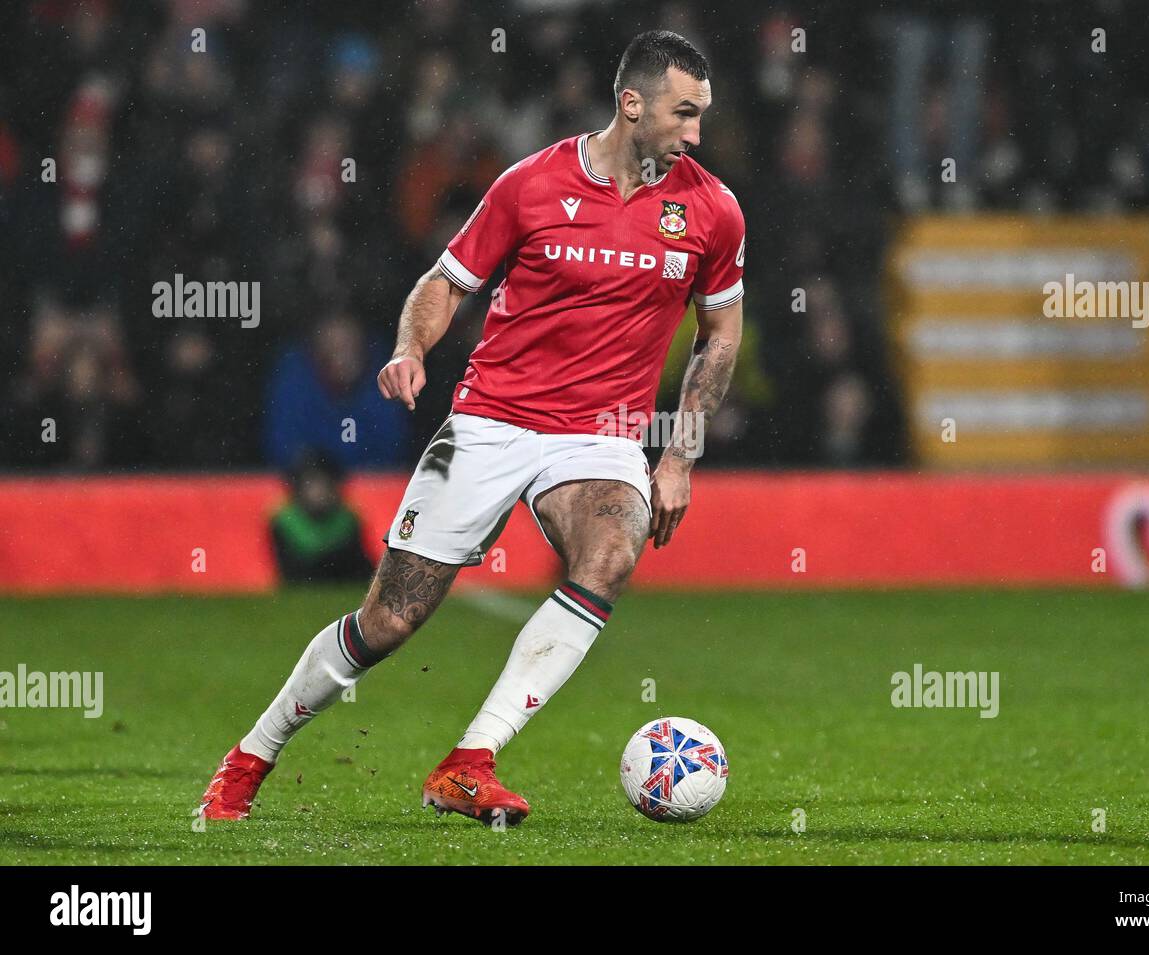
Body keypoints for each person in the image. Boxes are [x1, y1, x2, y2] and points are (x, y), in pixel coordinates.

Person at [200, 30, 745, 827]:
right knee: (388, 620)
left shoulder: (710, 209)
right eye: (684, 113)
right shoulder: (530, 185)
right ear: (631, 104)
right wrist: (408, 347)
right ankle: (251, 754)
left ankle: (470, 759)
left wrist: (680, 456)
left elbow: (720, 335)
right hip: (491, 418)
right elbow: (444, 281)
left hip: (599, 435)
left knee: (612, 548)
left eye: (702, 116)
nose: (696, 134)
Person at [270, 450, 374, 584]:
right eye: (310, 484)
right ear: (298, 488)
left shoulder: (349, 519)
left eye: (323, 483)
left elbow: (362, 571)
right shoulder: (283, 521)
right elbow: (289, 573)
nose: (318, 491)